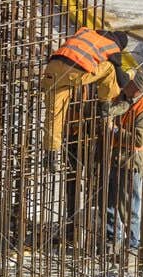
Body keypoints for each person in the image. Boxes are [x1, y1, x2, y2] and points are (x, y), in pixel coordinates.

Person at [39, 27, 131, 171]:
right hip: (72, 72)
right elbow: (120, 78)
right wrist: (130, 75)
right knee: (109, 68)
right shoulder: (112, 46)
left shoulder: (86, 31)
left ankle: (50, 155)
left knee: (55, 115)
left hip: (52, 68)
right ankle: (105, 107)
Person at [103, 64, 143, 270]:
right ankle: (112, 240)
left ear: (138, 89)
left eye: (132, 83)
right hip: (115, 159)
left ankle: (133, 245)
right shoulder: (124, 100)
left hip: (130, 163)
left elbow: (138, 138)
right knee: (110, 203)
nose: (127, 84)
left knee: (130, 208)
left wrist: (114, 131)